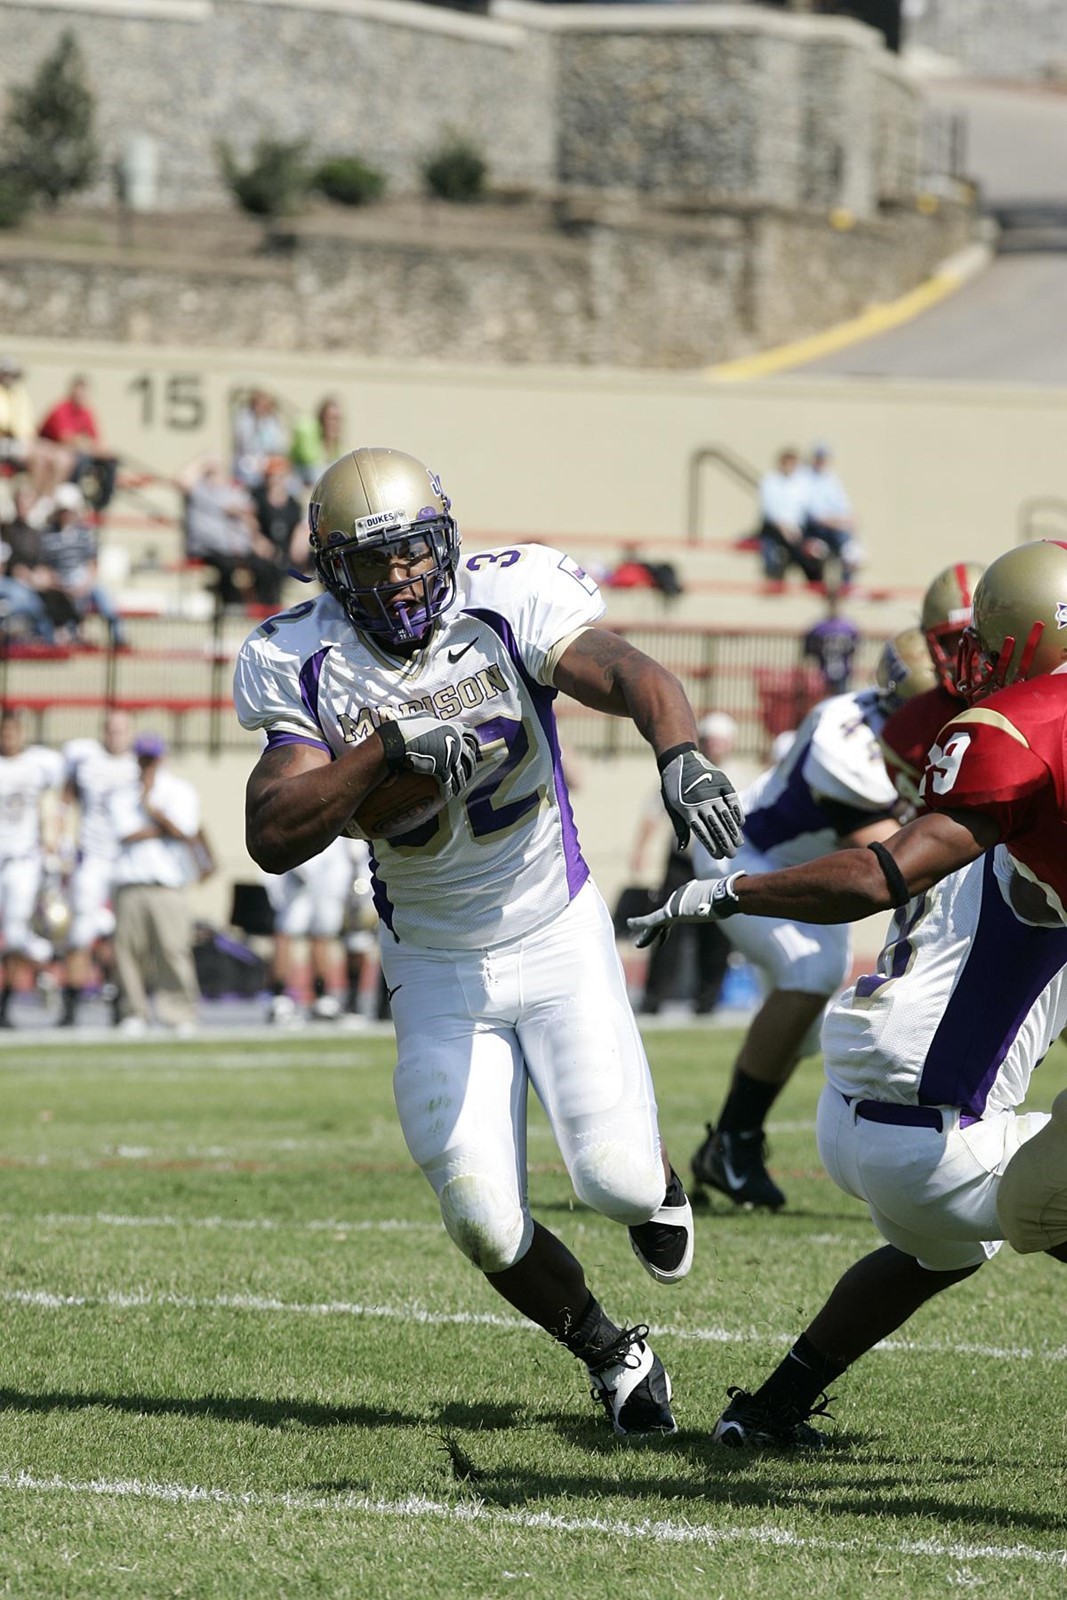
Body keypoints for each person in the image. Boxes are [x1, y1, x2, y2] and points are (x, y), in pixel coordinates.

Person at [233, 445, 745, 1439]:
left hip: (552, 927)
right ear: (332, 572)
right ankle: (611, 1353)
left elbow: (630, 670)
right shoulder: (298, 654)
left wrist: (676, 752)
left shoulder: (509, 598)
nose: (401, 578)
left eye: (415, 552)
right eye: (373, 563)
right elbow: (273, 834)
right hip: (433, 960)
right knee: (478, 1216)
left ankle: (655, 1180)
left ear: (446, 539)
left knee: (615, 1179)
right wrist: (383, 747)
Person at [628, 539, 1067, 1447]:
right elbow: (878, 876)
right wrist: (730, 890)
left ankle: (769, 1411)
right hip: (938, 1128)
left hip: (851, 1114)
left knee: (931, 1252)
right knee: (1009, 1211)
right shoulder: (1023, 784)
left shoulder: (992, 772)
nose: (966, 668)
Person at [685, 642, 915, 1210]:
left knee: (807, 1031)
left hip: (807, 865)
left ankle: (731, 1145)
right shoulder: (849, 743)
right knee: (812, 974)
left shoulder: (882, 717)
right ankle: (733, 1143)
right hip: (743, 854)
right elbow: (895, 864)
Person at [631, 711, 738, 1016]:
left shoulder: (741, 776)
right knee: (668, 928)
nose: (715, 745)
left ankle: (708, 1000)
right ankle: (654, 998)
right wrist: (641, 850)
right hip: (683, 860)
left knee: (717, 933)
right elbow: (654, 812)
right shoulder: (683, 771)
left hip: (720, 862)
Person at [109, 732, 202, 1035]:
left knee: (173, 949)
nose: (146, 764)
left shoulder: (179, 791)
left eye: (151, 759)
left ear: (161, 759)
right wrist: (161, 828)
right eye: (142, 758)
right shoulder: (121, 793)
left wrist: (152, 811)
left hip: (167, 883)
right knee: (128, 952)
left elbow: (185, 830)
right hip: (130, 881)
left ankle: (179, 1013)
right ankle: (134, 1011)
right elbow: (124, 833)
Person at [879, 562, 984, 811]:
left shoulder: (1046, 699)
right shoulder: (910, 730)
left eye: (982, 636)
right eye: (957, 641)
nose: (972, 656)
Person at [58, 709, 139, 1027]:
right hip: (92, 857)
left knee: (123, 936)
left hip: (126, 861)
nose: (116, 736)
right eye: (111, 730)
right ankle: (72, 1004)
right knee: (80, 932)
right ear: (102, 732)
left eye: (121, 730)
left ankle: (120, 1002)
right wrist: (63, 841)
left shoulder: (137, 766)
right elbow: (64, 802)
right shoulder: (86, 761)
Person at [0, 710, 64, 1028]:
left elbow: (55, 803)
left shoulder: (39, 764)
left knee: (13, 933)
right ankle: (46, 958)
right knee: (15, 935)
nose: (8, 738)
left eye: (12, 732)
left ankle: (6, 1004)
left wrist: (53, 842)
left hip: (22, 861)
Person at [263, 833, 361, 1024]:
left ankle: (322, 996)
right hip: (301, 844)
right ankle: (278, 996)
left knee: (323, 931)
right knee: (288, 929)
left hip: (333, 851)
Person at [177, 456, 279, 609]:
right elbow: (181, 480)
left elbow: (251, 521)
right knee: (229, 569)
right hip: (210, 550)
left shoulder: (235, 493)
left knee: (265, 566)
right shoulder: (199, 490)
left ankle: (265, 611)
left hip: (240, 548)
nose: (216, 475)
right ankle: (233, 612)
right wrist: (202, 463)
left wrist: (256, 538)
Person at [37, 483, 128, 649]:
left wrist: (85, 583)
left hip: (84, 581)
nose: (66, 514)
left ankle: (118, 636)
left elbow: (92, 563)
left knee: (105, 599)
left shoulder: (84, 533)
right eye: (63, 510)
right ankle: (75, 632)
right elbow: (45, 566)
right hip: (61, 585)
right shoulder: (47, 535)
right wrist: (60, 584)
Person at [37, 374, 119, 511]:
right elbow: (64, 439)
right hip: (51, 454)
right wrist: (83, 443)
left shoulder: (86, 412)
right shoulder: (61, 408)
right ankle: (48, 501)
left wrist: (95, 448)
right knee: (71, 460)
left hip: (71, 457)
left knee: (109, 462)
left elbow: (96, 441)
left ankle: (101, 503)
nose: (81, 396)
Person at [756, 448, 824, 589]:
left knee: (803, 543)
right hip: (775, 527)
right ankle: (811, 575)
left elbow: (804, 508)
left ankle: (805, 573)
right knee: (794, 544)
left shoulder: (800, 483)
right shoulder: (770, 481)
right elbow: (769, 510)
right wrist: (784, 527)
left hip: (796, 528)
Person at [798, 443, 863, 588]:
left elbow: (844, 507)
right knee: (818, 553)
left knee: (852, 553)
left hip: (836, 529)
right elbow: (814, 515)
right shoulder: (804, 478)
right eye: (818, 458)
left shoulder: (831, 479)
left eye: (823, 458)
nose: (821, 461)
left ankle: (846, 589)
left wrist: (849, 520)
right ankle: (821, 588)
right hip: (815, 530)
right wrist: (838, 522)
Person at [801, 585, 860, 697]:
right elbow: (807, 651)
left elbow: (854, 649)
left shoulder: (849, 627)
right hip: (822, 673)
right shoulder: (818, 627)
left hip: (843, 673)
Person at [232, 387, 289, 492]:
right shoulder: (244, 419)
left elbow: (279, 446)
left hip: (268, 462)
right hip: (247, 461)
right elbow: (245, 445)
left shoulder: (272, 422)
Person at [289, 395, 344, 488]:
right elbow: (310, 468)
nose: (333, 423)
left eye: (337, 419)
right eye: (330, 418)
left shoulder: (336, 446)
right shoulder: (308, 438)